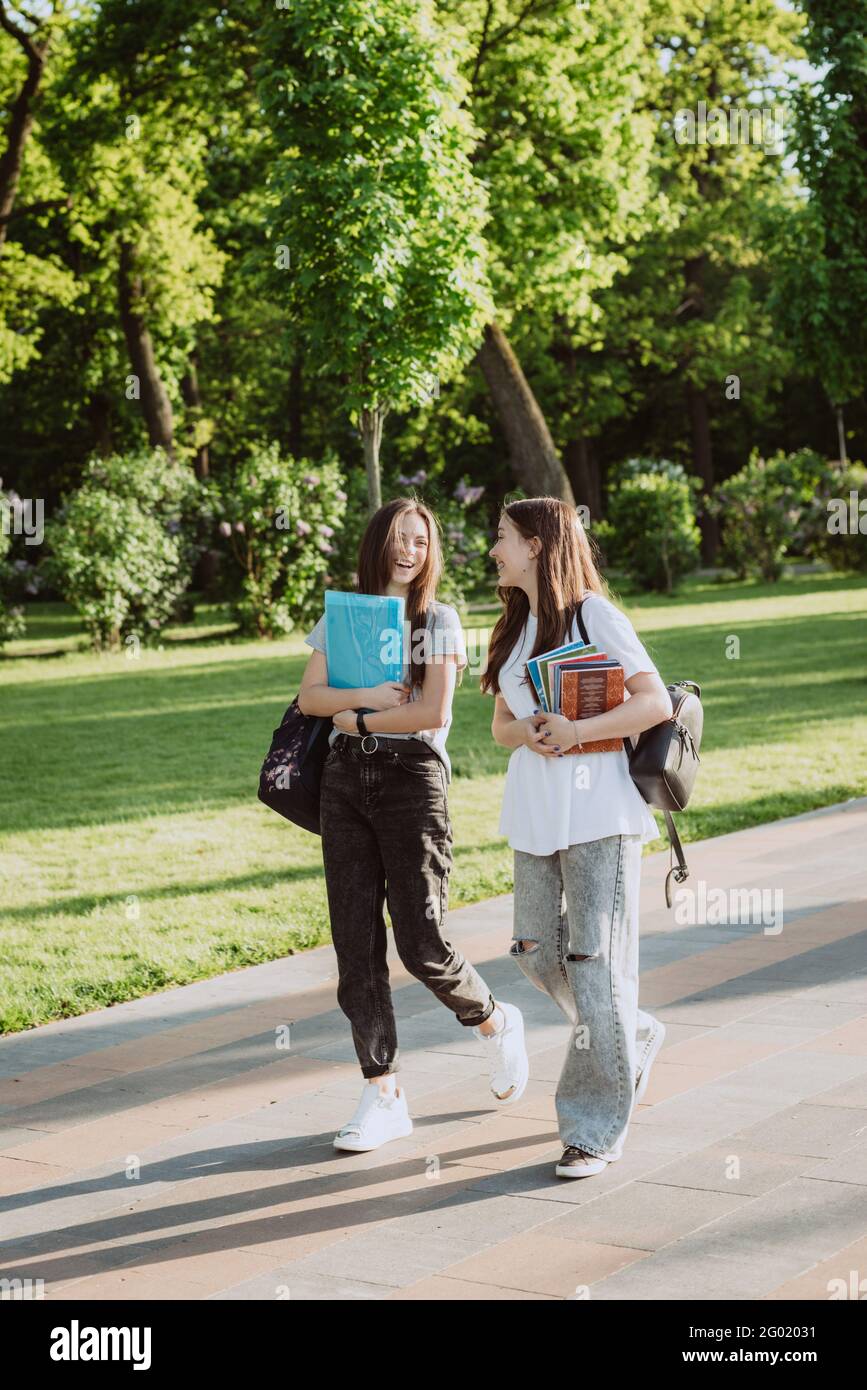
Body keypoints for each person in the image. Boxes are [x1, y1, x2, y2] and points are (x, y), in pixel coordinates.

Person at [299, 496, 529, 1153]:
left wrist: (361, 720)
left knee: (421, 941)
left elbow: (430, 713)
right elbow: (310, 698)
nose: (408, 550)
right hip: (343, 784)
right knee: (354, 945)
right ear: (377, 543)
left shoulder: (437, 620)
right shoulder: (342, 616)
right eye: (399, 537)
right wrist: (364, 700)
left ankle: (493, 1022)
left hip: (411, 784)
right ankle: (383, 1092)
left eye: (420, 541)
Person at [482, 496, 671, 1179]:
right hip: (534, 811)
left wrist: (577, 731)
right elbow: (502, 724)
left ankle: (591, 1129)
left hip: (600, 814)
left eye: (501, 536)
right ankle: (630, 1029)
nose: (493, 547)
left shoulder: (593, 613)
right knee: (536, 954)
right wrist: (530, 731)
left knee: (594, 964)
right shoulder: (509, 628)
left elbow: (652, 701)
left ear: (535, 544)